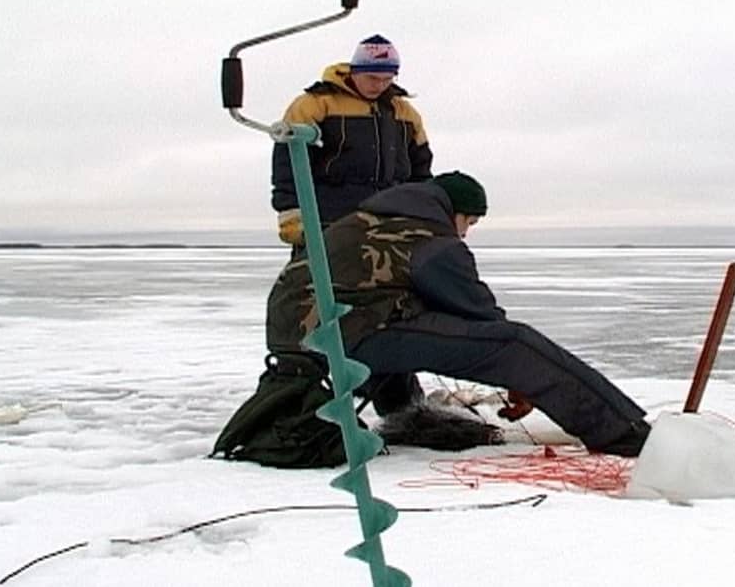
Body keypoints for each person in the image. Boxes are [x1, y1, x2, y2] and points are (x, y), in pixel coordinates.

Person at [265, 171, 652, 457]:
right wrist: (522, 379)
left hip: (304, 332)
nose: (466, 233)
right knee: (514, 343)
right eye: (469, 222)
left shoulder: (372, 219)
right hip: (341, 334)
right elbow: (481, 314)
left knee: (403, 311)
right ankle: (623, 434)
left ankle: (405, 415)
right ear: (454, 212)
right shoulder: (430, 237)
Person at [271, 34, 433, 247]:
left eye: (387, 79)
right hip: (329, 220)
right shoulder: (315, 105)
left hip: (390, 223)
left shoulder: (404, 113)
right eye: (372, 78)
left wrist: (425, 210)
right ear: (355, 72)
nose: (380, 85)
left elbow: (420, 170)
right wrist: (290, 211)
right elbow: (289, 163)